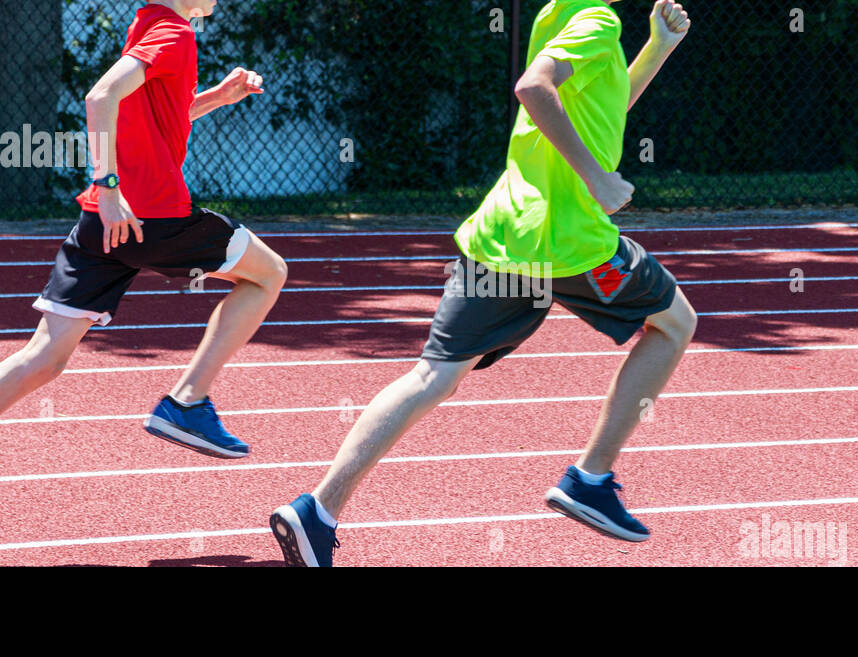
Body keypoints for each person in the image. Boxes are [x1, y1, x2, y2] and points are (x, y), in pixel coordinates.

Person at [269, 0, 696, 567]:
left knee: (431, 376)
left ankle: (317, 510)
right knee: (675, 323)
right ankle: (590, 479)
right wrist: (597, 180)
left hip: (503, 232)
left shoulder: (560, 14)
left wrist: (657, 50)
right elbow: (533, 88)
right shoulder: (599, 21)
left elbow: (598, 110)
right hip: (571, 244)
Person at [0, 0, 288, 558]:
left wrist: (215, 98)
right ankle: (187, 401)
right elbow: (99, 97)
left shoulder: (150, 25)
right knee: (268, 274)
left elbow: (152, 121)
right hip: (150, 216)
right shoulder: (171, 32)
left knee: (43, 358)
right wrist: (109, 182)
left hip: (105, 222)